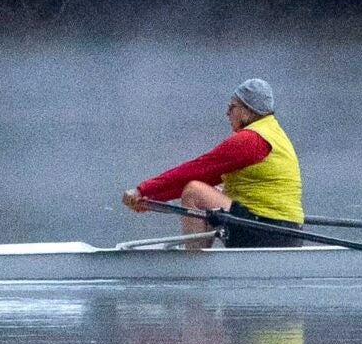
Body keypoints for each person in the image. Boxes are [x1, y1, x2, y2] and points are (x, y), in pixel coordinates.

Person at [122, 78, 305, 248]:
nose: (227, 113)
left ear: (247, 110)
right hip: (285, 231)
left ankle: (195, 267)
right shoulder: (272, 132)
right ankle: (202, 259)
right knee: (213, 190)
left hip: (268, 232)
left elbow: (195, 171)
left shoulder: (250, 140)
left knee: (194, 192)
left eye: (232, 107)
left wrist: (143, 190)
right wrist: (151, 199)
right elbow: (207, 177)